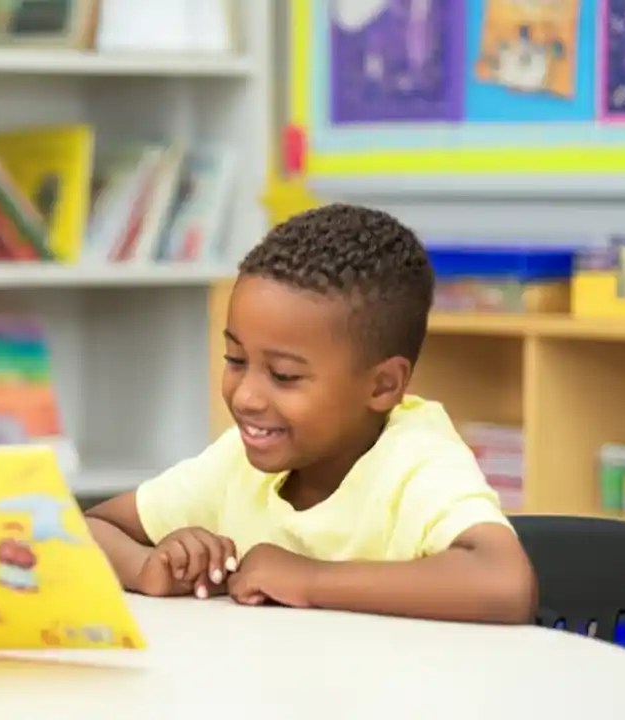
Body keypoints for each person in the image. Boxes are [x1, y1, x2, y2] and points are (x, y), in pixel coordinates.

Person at [85, 204, 537, 624]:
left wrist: (310, 579)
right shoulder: (238, 463)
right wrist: (146, 565)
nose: (245, 397)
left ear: (382, 385)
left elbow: (504, 582)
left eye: (283, 375)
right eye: (235, 360)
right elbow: (85, 528)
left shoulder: (416, 461)